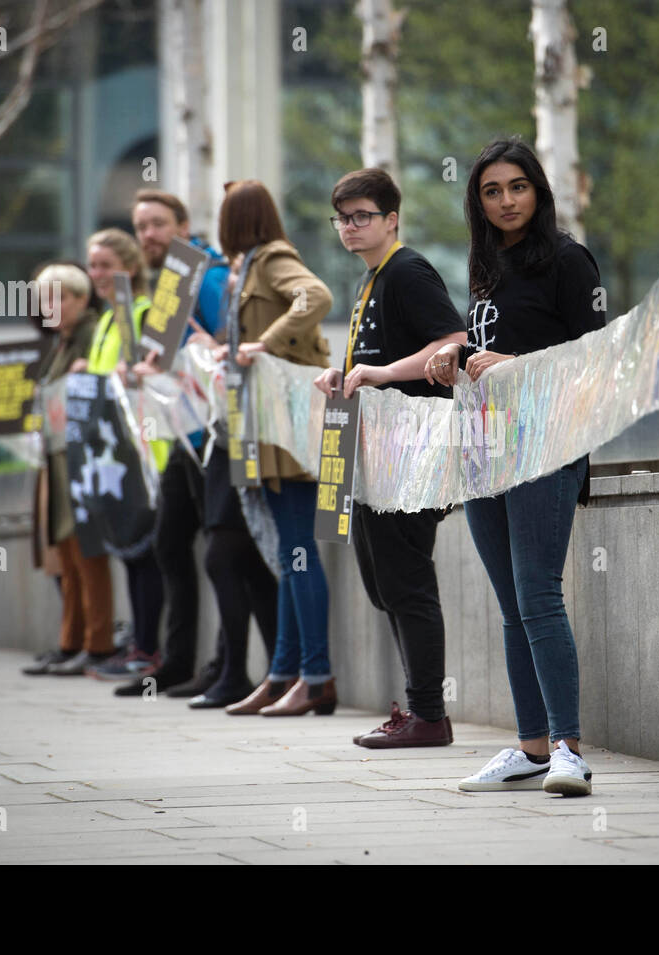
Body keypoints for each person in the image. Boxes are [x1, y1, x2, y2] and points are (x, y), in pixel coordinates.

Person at [426, 139, 604, 795]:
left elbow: (596, 361)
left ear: (539, 190)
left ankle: (569, 749)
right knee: (511, 605)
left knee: (538, 595)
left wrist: (513, 366)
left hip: (546, 445)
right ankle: (530, 747)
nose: (506, 201)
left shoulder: (567, 258)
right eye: (492, 191)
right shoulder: (487, 267)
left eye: (518, 187)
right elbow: (501, 345)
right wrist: (459, 352)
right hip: (484, 448)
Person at [311, 168, 467, 747]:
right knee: (386, 586)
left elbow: (451, 340)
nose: (350, 227)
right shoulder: (372, 278)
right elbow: (375, 358)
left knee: (407, 584)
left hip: (412, 449)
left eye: (363, 217)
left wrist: (381, 374)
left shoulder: (407, 270)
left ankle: (429, 716)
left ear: (392, 218)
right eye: (343, 219)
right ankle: (419, 710)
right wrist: (346, 374)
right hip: (376, 451)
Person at [218, 179, 337, 717]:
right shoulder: (248, 267)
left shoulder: (271, 258)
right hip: (269, 424)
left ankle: (315, 677)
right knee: (291, 554)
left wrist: (264, 343)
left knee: (297, 550)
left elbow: (316, 296)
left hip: (291, 423)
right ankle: (286, 673)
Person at [116, 189, 234, 700]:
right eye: (141, 226)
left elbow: (222, 346)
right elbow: (167, 359)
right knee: (168, 543)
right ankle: (178, 661)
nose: (148, 235)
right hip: (181, 436)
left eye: (159, 224)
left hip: (213, 434)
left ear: (183, 225)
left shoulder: (206, 277)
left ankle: (224, 667)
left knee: (224, 553)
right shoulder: (166, 286)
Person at [55, 227, 166, 680]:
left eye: (105, 265)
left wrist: (122, 372)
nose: (97, 274)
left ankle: (148, 650)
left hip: (143, 454)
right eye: (92, 265)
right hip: (112, 460)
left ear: (130, 267)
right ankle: (139, 645)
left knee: (145, 555)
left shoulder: (138, 313)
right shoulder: (106, 320)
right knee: (130, 554)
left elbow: (147, 376)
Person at [22, 263, 117, 675]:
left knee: (86, 549)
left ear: (82, 299)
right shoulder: (62, 341)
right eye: (46, 298)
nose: (52, 306)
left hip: (83, 457)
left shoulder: (89, 334)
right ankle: (71, 640)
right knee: (66, 549)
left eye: (61, 296)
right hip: (59, 456)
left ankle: (96, 643)